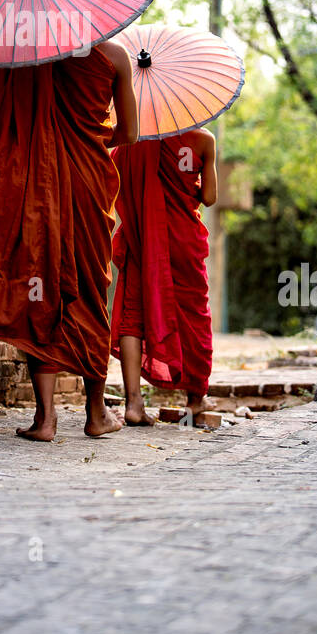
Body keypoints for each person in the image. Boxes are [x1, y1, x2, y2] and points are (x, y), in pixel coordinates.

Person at [0, 40, 139, 441]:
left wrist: (55, 132)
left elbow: (14, 114)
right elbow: (129, 133)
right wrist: (90, 135)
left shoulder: (30, 51)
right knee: (90, 291)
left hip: (38, 183)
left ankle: (45, 420)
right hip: (90, 182)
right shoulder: (116, 57)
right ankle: (96, 413)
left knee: (39, 283)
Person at [111, 128, 217, 425]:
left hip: (141, 239)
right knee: (195, 314)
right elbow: (209, 197)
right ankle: (196, 398)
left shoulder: (131, 141)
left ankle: (134, 402)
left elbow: (116, 186)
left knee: (133, 315)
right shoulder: (204, 140)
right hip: (183, 240)